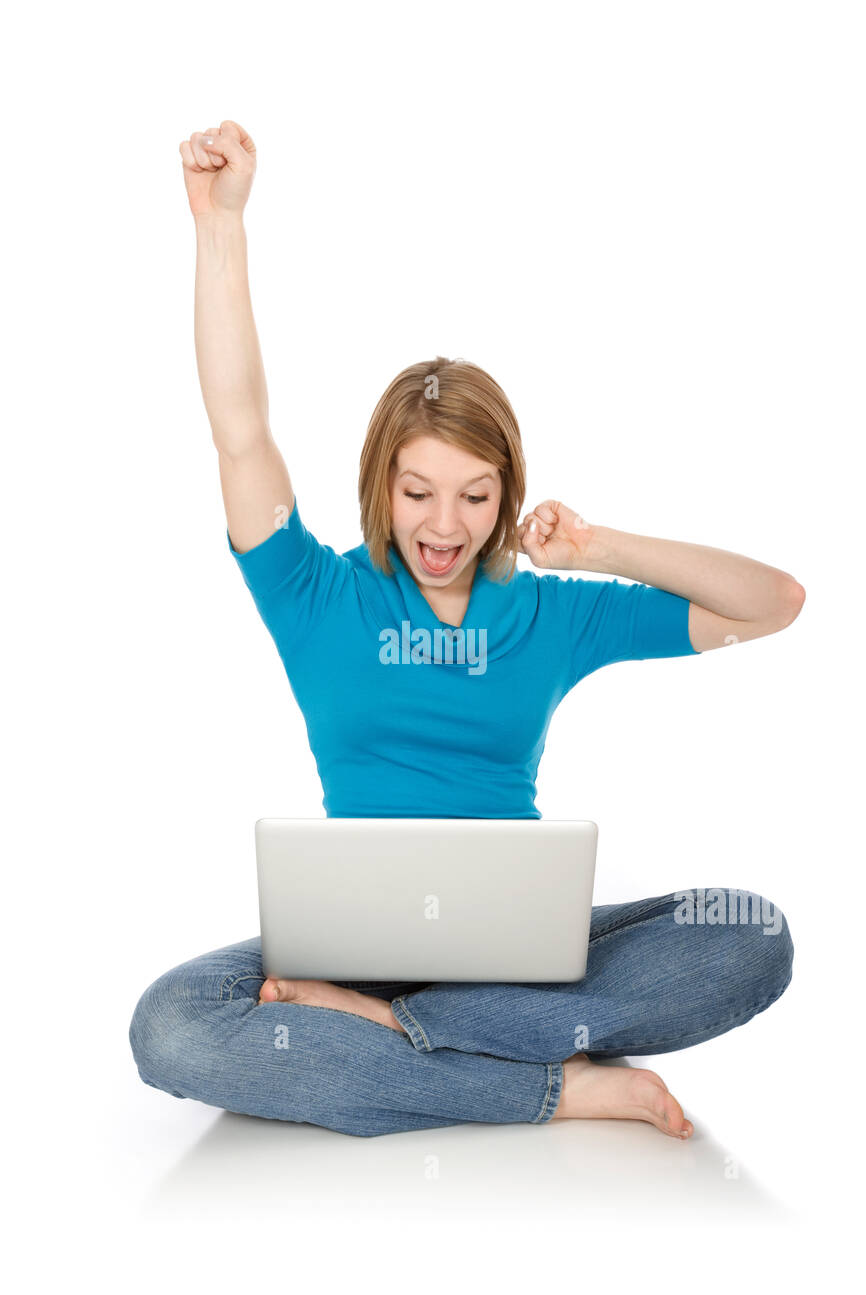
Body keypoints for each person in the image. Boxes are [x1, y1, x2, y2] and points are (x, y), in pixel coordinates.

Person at [129, 120, 804, 1139]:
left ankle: (383, 1035)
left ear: (506, 492)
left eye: (475, 494)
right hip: (345, 946)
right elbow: (241, 428)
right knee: (172, 1028)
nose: (444, 525)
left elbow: (774, 603)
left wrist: (597, 546)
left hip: (511, 949)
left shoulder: (552, 611)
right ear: (379, 487)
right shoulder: (313, 592)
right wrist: (220, 225)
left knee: (749, 935)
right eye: (416, 491)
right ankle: (546, 1081)